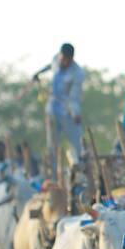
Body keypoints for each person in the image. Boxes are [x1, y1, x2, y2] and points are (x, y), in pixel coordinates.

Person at [42, 43, 84, 178]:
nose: (62, 60)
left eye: (66, 58)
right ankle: (53, 177)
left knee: (77, 144)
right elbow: (50, 67)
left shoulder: (77, 73)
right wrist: (38, 73)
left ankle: (79, 174)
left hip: (68, 113)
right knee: (52, 146)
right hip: (52, 110)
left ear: (71, 59)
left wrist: (75, 113)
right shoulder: (56, 59)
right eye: (62, 57)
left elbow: (74, 97)